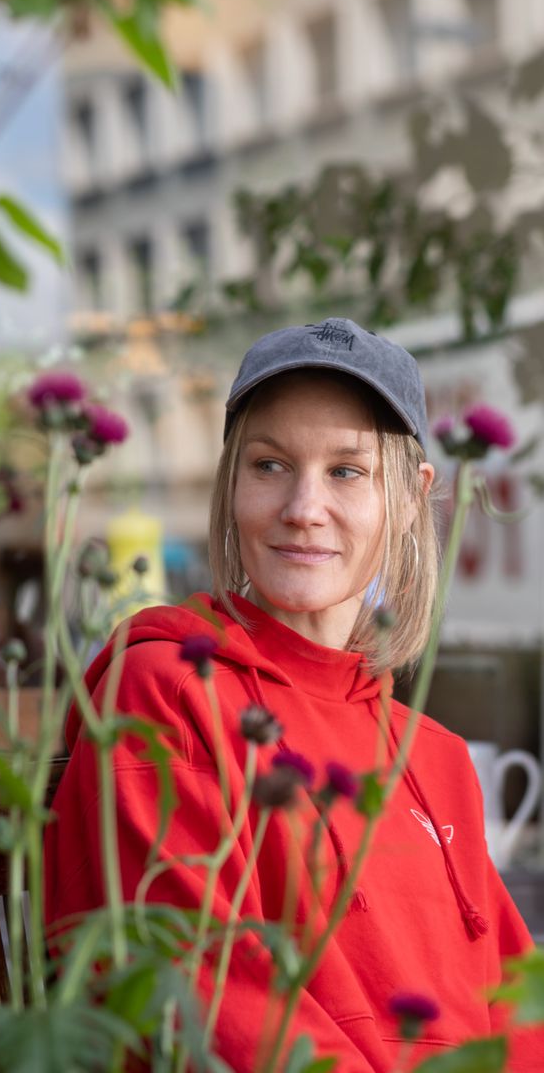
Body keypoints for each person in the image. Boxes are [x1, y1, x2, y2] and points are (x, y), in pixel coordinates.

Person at [44, 317, 543, 1072]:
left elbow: (515, 1010)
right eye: (270, 465)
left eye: (346, 471)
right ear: (231, 483)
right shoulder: (166, 687)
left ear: (410, 497)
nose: (303, 507)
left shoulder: (434, 760)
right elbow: (191, 992)